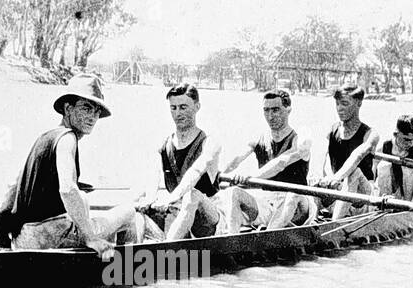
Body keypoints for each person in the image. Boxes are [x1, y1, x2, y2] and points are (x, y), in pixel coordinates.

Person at [0, 74, 136, 253]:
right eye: (86, 108)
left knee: (86, 207)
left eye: (97, 111)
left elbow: (13, 188)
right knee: (129, 213)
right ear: (68, 108)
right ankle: (124, 273)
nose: (92, 117)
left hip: (23, 239)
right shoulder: (67, 138)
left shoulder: (45, 138)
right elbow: (68, 189)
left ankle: (102, 254)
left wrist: (2, 238)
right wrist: (90, 238)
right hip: (54, 236)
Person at [137, 84, 227, 241]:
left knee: (192, 196)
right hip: (178, 211)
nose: (178, 113)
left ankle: (167, 249)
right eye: (173, 108)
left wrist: (170, 198)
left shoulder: (210, 142)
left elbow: (196, 171)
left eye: (183, 107)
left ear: (197, 107)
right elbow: (154, 174)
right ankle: (129, 252)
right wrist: (149, 198)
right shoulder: (164, 143)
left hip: (208, 219)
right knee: (136, 206)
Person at [218, 88, 316, 230]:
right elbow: (236, 159)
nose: (270, 116)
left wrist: (251, 177)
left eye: (275, 110)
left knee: (293, 196)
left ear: (288, 110)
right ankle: (232, 240)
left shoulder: (299, 140)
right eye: (266, 110)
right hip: (268, 201)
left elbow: (280, 164)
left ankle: (269, 236)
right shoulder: (259, 138)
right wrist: (219, 174)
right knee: (234, 193)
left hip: (298, 206)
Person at [315, 84, 380, 220]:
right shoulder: (332, 130)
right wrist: (324, 177)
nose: (339, 109)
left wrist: (337, 177)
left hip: (363, 196)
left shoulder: (370, 134)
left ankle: (334, 224)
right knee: (314, 179)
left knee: (354, 173)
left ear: (359, 103)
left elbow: (358, 155)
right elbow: (323, 157)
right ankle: (311, 223)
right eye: (337, 104)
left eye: (344, 104)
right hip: (339, 189)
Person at [374, 114, 413, 203]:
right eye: (406, 139)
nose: (411, 144)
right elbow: (372, 176)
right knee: (384, 166)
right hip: (391, 191)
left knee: (407, 170)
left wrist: (412, 209)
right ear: (396, 134)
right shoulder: (383, 147)